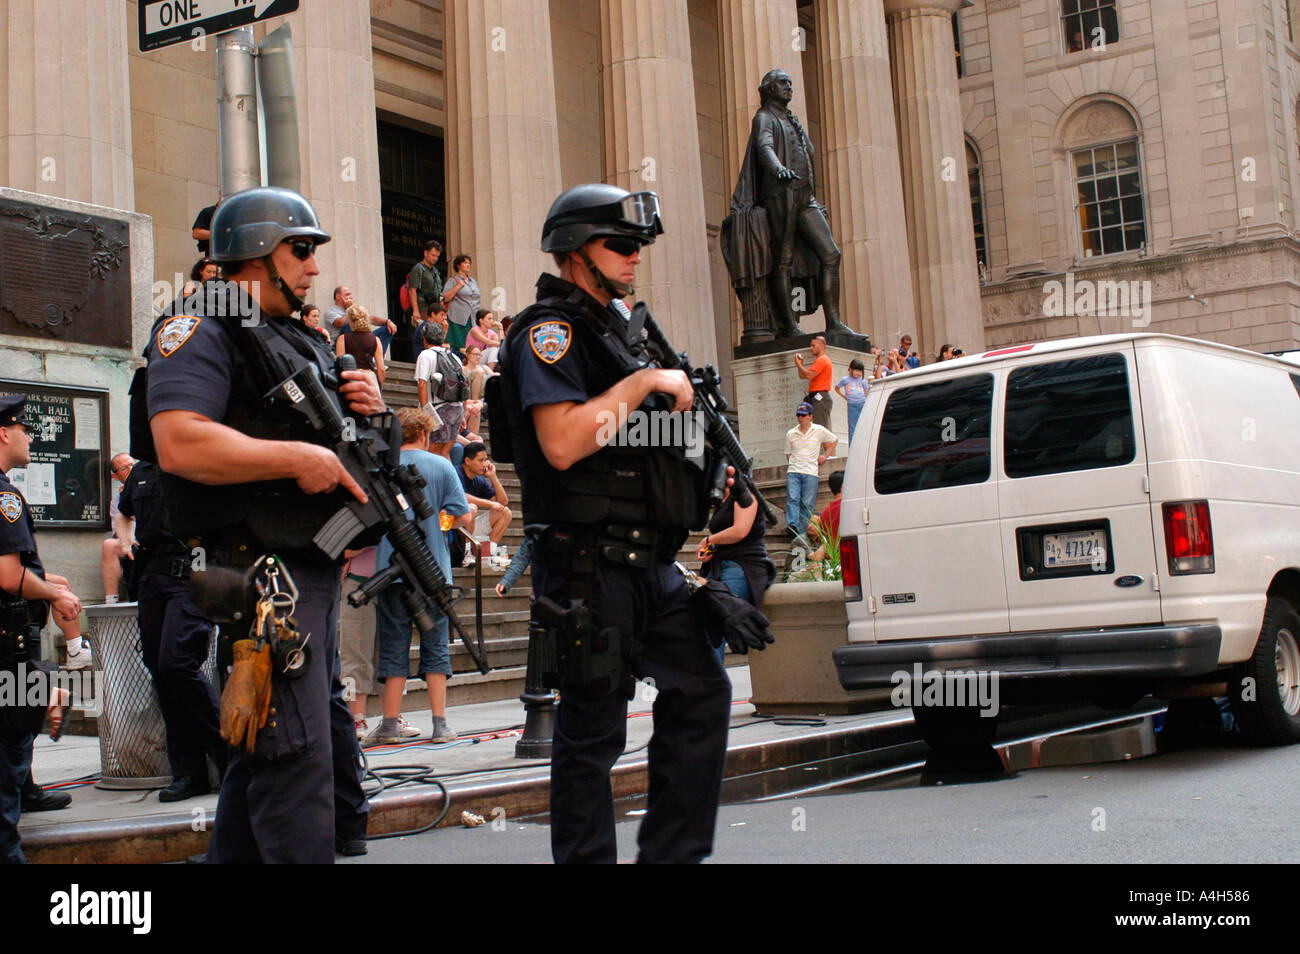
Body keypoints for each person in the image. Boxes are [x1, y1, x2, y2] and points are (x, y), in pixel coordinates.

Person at [496, 182, 739, 864]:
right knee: (592, 736)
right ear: (576, 252)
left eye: (639, 248)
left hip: (652, 567)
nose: (635, 259)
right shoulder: (551, 332)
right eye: (620, 246)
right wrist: (643, 385)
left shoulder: (620, 336)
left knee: (703, 690)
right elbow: (565, 442)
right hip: (587, 568)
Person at [145, 186, 378, 863]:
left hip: (311, 570)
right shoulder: (200, 323)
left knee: (269, 752)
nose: (313, 266)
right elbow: (179, 442)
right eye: (300, 249)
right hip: (266, 579)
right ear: (253, 253)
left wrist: (358, 399)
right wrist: (295, 456)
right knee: (296, 764)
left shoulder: (293, 334)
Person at [117, 456, 225, 802]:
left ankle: (226, 752)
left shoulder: (195, 458)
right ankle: (188, 773)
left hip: (195, 568)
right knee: (160, 670)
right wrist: (123, 541)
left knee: (177, 662)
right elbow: (124, 511)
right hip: (152, 573)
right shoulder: (141, 472)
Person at [365, 408, 472, 746]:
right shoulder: (442, 466)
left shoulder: (383, 469)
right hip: (433, 570)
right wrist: (441, 525)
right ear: (425, 434)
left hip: (391, 570)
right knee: (436, 644)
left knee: (394, 645)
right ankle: (440, 723)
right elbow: (464, 516)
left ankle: (390, 723)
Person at [0, 394, 75, 863]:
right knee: (5, 772)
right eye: (24, 428)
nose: (31, 435)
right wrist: (56, 595)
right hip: (6, 653)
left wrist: (49, 583)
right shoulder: (4, 497)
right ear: (4, 433)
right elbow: (8, 577)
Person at [696, 482, 776, 665]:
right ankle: (711, 684)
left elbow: (740, 530)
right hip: (721, 564)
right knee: (704, 623)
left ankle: (713, 686)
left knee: (714, 622)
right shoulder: (722, 499)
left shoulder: (744, 494)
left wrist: (709, 539)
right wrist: (713, 548)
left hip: (742, 566)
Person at [785, 402, 836, 542]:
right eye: (798, 415)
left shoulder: (818, 430)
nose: (800, 418)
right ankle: (792, 526)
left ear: (810, 416)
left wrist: (825, 455)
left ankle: (802, 532)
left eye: (803, 415)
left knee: (807, 504)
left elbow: (834, 440)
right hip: (794, 470)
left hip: (811, 472)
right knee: (792, 498)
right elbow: (788, 454)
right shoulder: (791, 433)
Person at [457, 442, 511, 565]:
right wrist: (490, 504)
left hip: (471, 526)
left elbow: (503, 503)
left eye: (485, 460)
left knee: (505, 512)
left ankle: (488, 554)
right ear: (467, 461)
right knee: (471, 508)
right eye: (480, 460)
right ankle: (467, 554)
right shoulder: (456, 473)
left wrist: (493, 477)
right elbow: (461, 496)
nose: (484, 464)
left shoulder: (480, 480)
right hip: (455, 527)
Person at [101, 452, 137, 605]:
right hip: (130, 541)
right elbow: (118, 529)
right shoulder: (117, 501)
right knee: (109, 545)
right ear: (115, 476)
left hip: (154, 537)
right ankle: (111, 600)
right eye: (124, 467)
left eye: (132, 465)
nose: (131, 469)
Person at [407, 240, 444, 359]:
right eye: (433, 255)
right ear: (426, 253)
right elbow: (412, 290)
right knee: (424, 335)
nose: (435, 258)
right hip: (423, 307)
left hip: (435, 308)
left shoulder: (435, 271)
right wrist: (415, 310)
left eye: (437, 256)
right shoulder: (418, 269)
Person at [336, 303, 386, 386]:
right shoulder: (376, 340)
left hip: (351, 379)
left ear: (351, 321)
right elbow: (381, 369)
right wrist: (379, 387)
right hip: (370, 380)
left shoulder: (343, 339)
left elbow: (339, 365)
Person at [442, 254, 480, 354]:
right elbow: (444, 298)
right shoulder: (452, 281)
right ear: (458, 265)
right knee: (459, 347)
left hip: (472, 318)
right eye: (465, 263)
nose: (468, 265)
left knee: (470, 346)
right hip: (457, 319)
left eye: (469, 263)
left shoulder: (473, 282)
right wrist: (458, 286)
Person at [793, 334, 833, 428]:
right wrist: (800, 365)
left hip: (821, 397)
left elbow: (809, 375)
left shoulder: (822, 360)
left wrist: (799, 365)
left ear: (821, 345)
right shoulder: (819, 360)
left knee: (820, 428)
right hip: (816, 397)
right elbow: (803, 376)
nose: (811, 348)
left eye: (813, 345)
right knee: (815, 427)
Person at [807, 469, 844, 562]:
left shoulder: (825, 513)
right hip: (848, 557)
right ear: (843, 486)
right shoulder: (847, 506)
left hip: (833, 561)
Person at [835, 358, 870, 441]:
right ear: (850, 369)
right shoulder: (845, 380)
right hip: (852, 406)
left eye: (860, 371)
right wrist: (843, 396)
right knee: (853, 428)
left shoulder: (862, 381)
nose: (858, 373)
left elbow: (866, 392)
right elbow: (836, 388)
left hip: (862, 404)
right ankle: (852, 449)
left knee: (863, 427)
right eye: (856, 370)